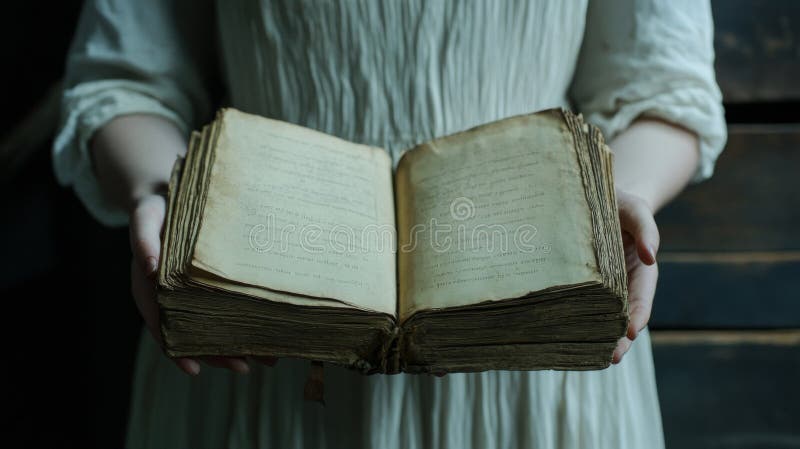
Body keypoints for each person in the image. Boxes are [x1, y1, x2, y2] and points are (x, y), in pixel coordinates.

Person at [54, 1, 726, 448]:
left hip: (534, 337)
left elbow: (666, 88)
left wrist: (619, 198)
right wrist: (161, 191)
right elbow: (127, 80)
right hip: (255, 333)